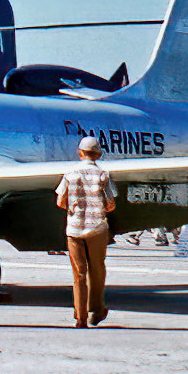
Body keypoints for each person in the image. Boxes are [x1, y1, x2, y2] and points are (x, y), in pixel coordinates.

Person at [55, 136, 115, 328]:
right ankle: (96, 311)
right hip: (97, 228)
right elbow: (111, 204)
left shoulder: (69, 173)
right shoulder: (103, 174)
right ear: (98, 154)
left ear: (80, 152)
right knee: (97, 270)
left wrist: (74, 208)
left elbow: (60, 201)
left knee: (79, 273)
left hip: (74, 229)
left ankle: (80, 318)